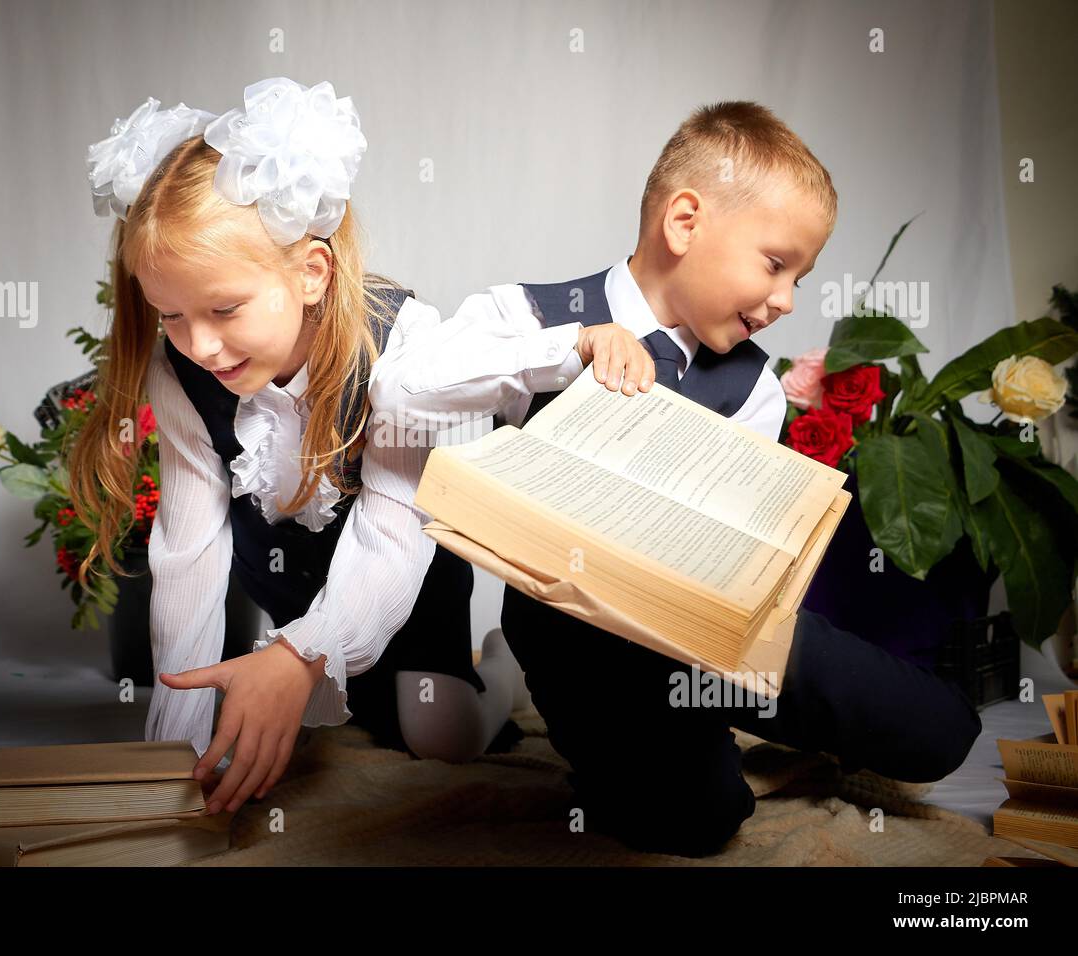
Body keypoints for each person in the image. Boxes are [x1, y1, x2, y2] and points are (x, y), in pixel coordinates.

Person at [373, 101, 982, 856]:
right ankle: (604, 717)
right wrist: (569, 349)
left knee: (942, 731)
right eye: (776, 264)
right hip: (578, 633)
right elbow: (400, 390)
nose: (787, 299)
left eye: (801, 276)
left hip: (709, 627)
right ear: (685, 223)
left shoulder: (754, 387)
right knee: (700, 818)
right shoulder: (532, 315)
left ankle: (746, 724)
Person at [67, 79, 637, 819]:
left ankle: (497, 668)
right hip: (289, 583)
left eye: (224, 309)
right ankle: (332, 675)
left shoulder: (398, 348)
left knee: (441, 733)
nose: (199, 343)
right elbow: (190, 550)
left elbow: (391, 537)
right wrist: (175, 746)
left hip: (405, 573)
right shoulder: (182, 373)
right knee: (299, 712)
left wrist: (304, 654)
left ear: (311, 274)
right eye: (171, 315)